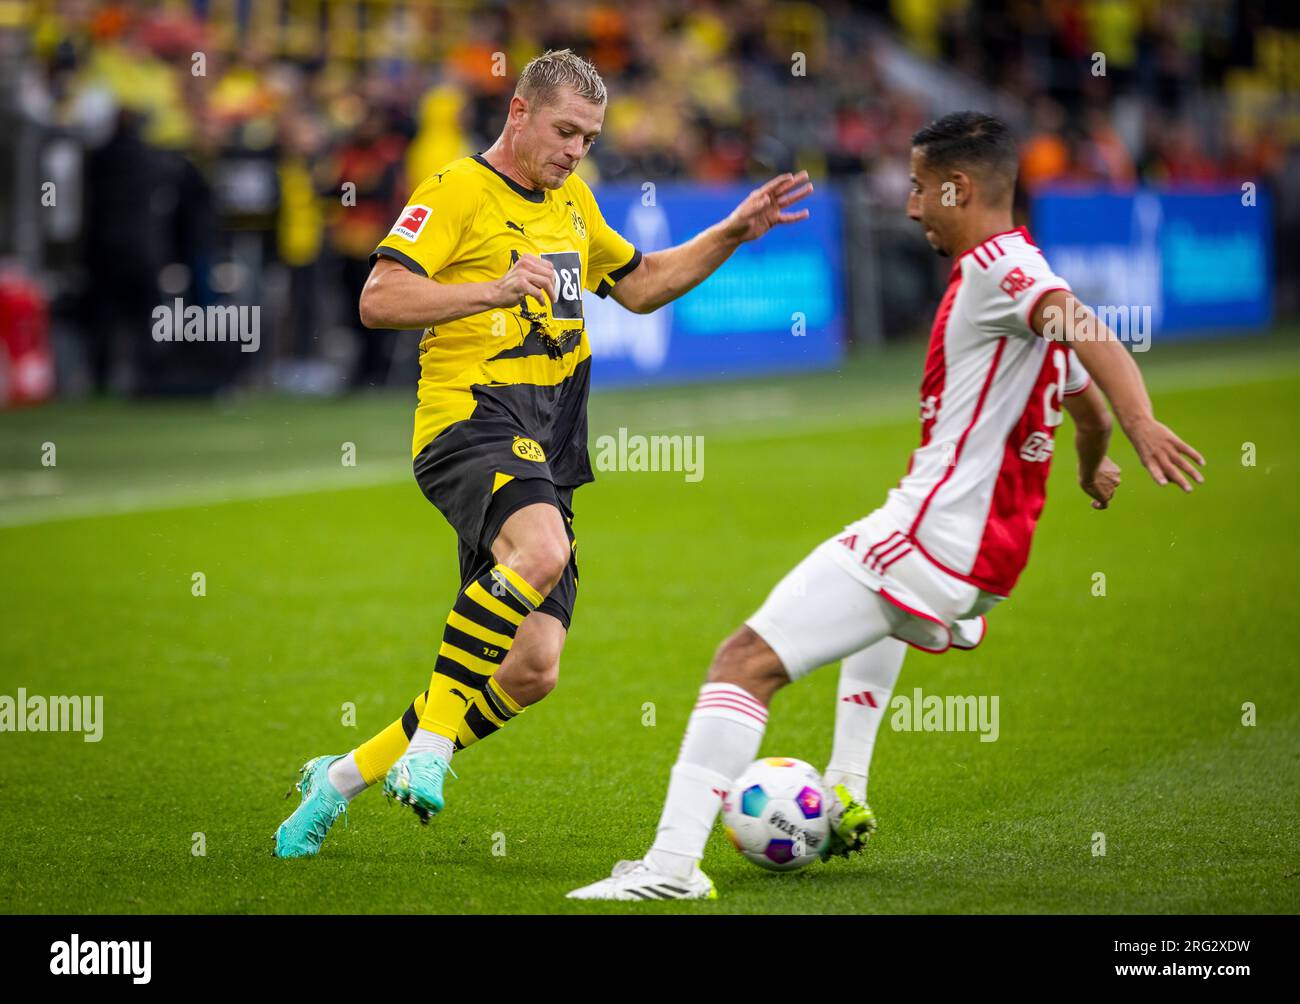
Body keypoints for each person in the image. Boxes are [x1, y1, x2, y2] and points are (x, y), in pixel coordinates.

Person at [569, 110, 1204, 901]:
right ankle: (847, 778)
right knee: (884, 603)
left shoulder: (999, 269)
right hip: (985, 560)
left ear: (958, 187)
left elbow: (1084, 327)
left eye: (916, 187)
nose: (909, 206)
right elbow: (1085, 402)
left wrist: (1139, 422)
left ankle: (668, 870)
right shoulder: (1022, 271)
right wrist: (1095, 460)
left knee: (744, 661)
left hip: (936, 534)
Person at [274, 49, 813, 857]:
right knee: (542, 550)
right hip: (469, 417)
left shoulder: (571, 202)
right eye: (564, 130)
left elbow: (640, 285)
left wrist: (732, 232)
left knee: (532, 668)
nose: (574, 150)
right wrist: (488, 290)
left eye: (589, 138)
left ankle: (341, 777)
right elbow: (379, 296)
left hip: (544, 443)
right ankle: (427, 752)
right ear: (519, 113)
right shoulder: (457, 190)